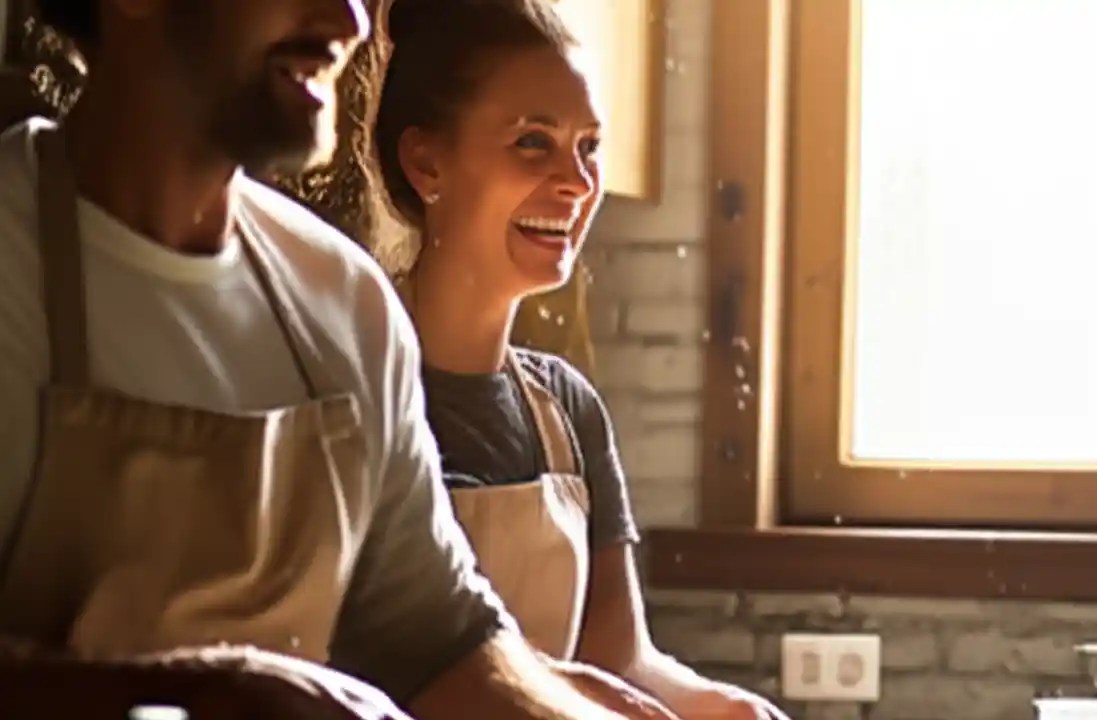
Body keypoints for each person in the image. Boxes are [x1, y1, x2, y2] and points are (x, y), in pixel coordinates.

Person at [0, 0, 681, 718]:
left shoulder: (341, 302)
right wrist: (203, 693)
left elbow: (441, 644)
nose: (349, 19)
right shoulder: (15, 260)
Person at [370, 1, 790, 718]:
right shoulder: (358, 385)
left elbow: (619, 660)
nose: (576, 182)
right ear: (425, 161)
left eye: (588, 148)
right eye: (533, 142)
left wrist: (728, 709)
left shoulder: (567, 410)